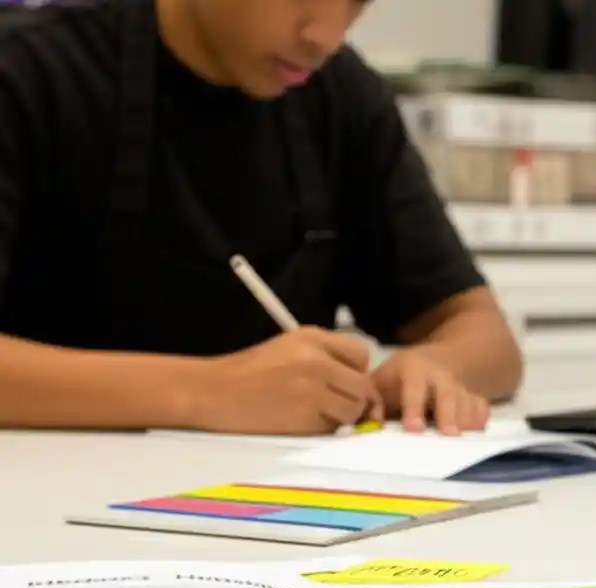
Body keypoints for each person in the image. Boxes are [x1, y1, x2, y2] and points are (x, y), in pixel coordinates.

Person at [0, 0, 523, 436]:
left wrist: (434, 369)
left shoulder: (340, 96)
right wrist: (204, 392)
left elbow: (485, 336)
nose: (327, 35)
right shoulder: (28, 72)